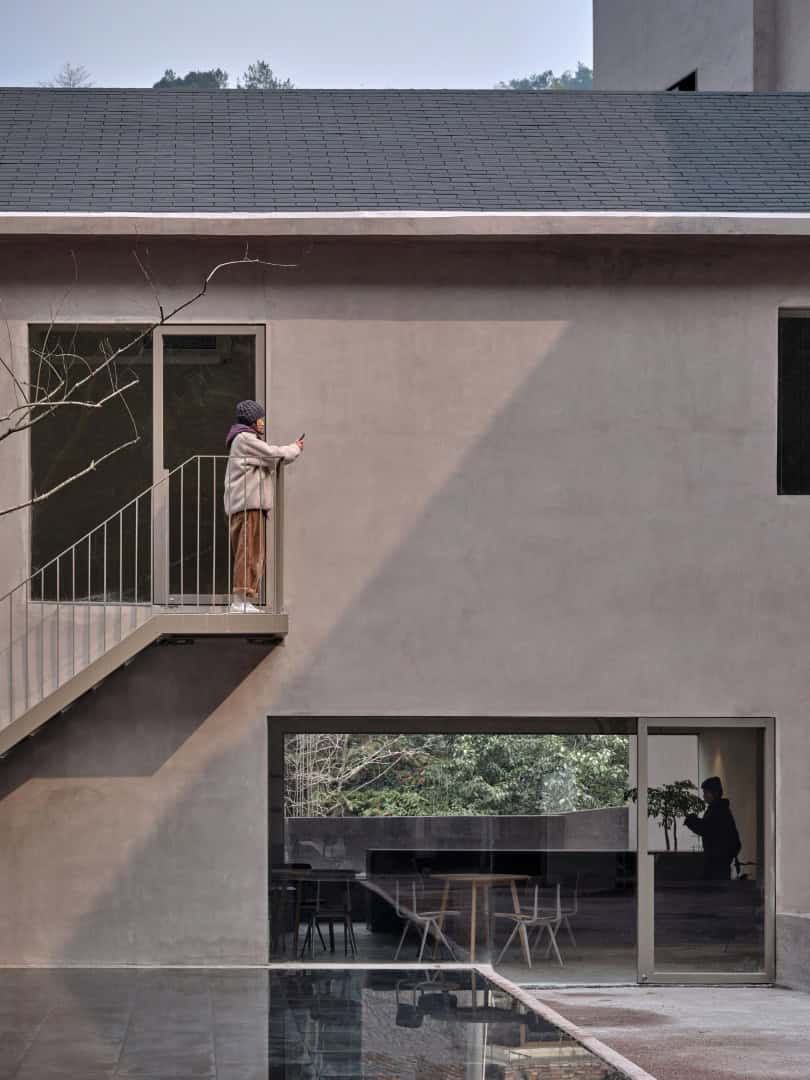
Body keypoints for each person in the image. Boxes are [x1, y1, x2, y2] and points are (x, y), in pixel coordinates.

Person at [224, 399, 303, 613]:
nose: (262, 423)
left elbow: (271, 459)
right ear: (251, 420)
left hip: (248, 505)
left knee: (252, 552)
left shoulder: (244, 439)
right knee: (248, 551)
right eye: (260, 419)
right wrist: (295, 448)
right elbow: (274, 454)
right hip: (248, 505)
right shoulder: (244, 438)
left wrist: (288, 452)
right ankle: (240, 601)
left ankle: (243, 600)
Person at [684, 777, 742, 881]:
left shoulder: (718, 811)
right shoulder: (720, 809)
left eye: (706, 792)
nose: (704, 795)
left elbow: (706, 829)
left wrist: (691, 820)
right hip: (719, 863)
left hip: (717, 865)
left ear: (714, 793)